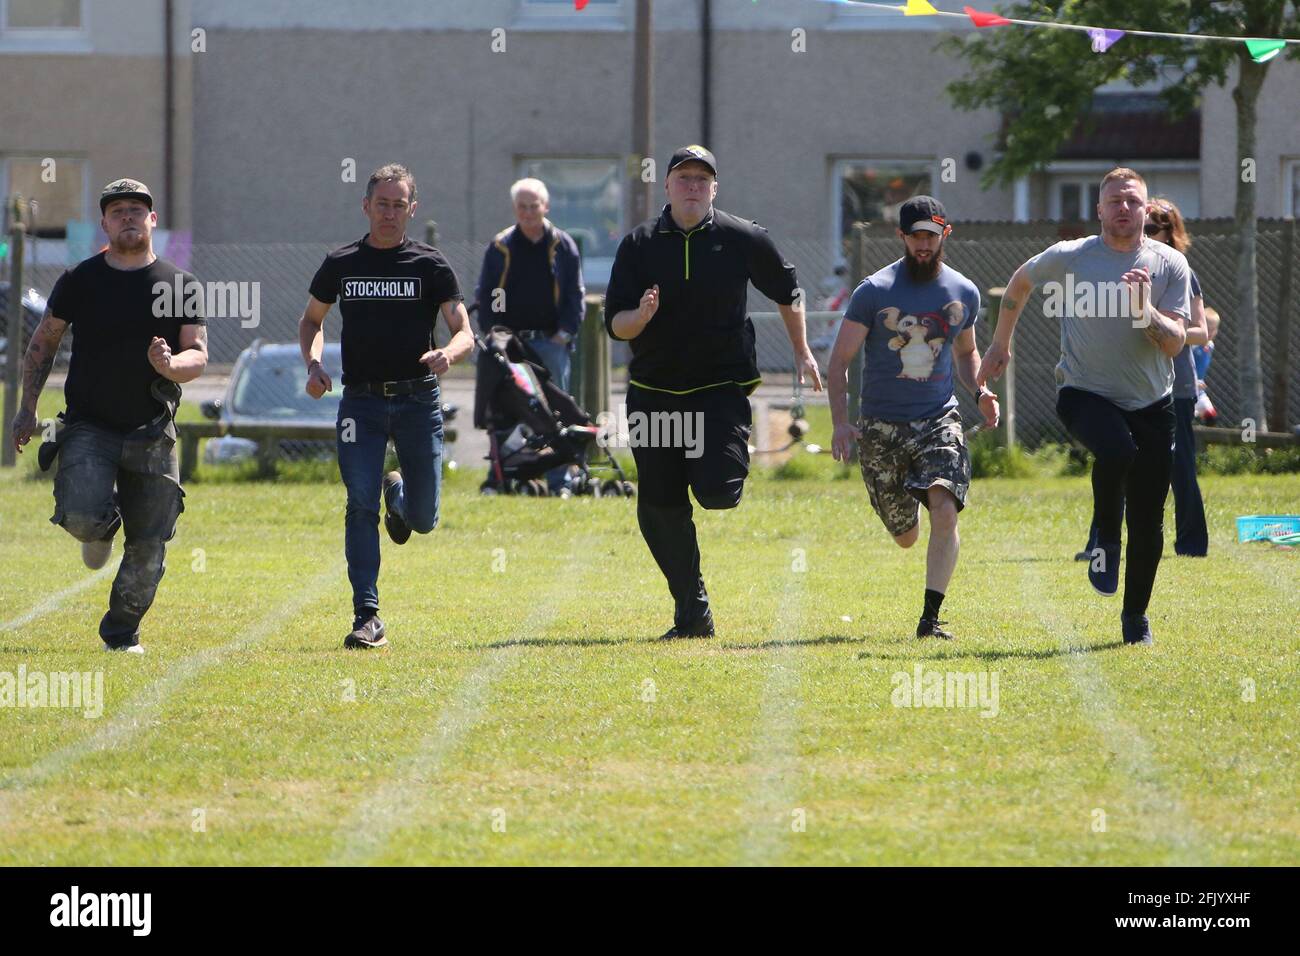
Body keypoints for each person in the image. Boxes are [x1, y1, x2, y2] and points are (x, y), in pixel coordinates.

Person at [604, 145, 822, 639]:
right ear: (667, 186)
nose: (693, 187)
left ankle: (724, 457)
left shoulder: (741, 237)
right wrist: (638, 318)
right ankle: (691, 609)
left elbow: (789, 291)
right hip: (654, 390)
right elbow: (614, 323)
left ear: (715, 188)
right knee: (659, 504)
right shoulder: (638, 244)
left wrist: (803, 350)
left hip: (719, 388)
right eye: (684, 178)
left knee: (718, 493)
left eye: (703, 179)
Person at [981, 168, 1190, 646]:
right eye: (1114, 200)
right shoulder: (1072, 256)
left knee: (1148, 517)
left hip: (1152, 402)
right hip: (1082, 392)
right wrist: (999, 344)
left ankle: (1135, 618)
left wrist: (1145, 308)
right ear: (1099, 209)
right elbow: (1018, 285)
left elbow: (1175, 344)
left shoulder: (1168, 265)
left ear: (1146, 209)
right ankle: (1103, 537)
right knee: (1116, 452)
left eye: (1132, 201)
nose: (1123, 208)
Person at [9, 178, 208, 653]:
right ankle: (101, 525)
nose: (128, 217)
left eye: (137, 210)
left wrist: (169, 366)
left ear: (152, 220)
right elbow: (43, 343)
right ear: (104, 223)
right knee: (80, 516)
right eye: (118, 211)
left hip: (153, 430)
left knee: (150, 544)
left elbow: (197, 354)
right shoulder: (81, 279)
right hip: (89, 425)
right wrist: (26, 409)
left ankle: (121, 634)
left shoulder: (179, 284)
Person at [299, 164, 474, 649]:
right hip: (361, 403)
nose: (390, 213)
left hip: (419, 399)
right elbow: (311, 320)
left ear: (412, 210)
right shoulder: (341, 263)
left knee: (423, 518)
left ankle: (398, 495)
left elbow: (464, 330)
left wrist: (449, 354)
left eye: (400, 205)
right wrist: (313, 366)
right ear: (366, 207)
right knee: (358, 503)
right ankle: (367, 615)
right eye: (382, 204)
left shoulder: (430, 264)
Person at [828, 196, 998, 641]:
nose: (924, 244)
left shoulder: (964, 292)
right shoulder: (874, 291)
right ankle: (909, 508)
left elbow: (966, 353)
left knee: (945, 510)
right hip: (881, 426)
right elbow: (839, 362)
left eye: (932, 235)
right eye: (916, 235)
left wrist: (979, 390)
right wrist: (842, 422)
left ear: (946, 234)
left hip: (938, 419)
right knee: (905, 536)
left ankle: (930, 619)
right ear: (901, 237)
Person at [1072, 196, 1211, 560]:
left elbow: (1200, 331)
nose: (1142, 234)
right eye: (1140, 226)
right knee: (1115, 459)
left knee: (1178, 467)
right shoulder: (1118, 268)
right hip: (1121, 382)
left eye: (1151, 229)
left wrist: (1162, 326)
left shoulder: (1179, 271)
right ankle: (1100, 543)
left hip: (1171, 384)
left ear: (1171, 233)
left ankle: (1192, 545)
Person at [475, 177, 585, 490]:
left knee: (555, 412)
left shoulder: (563, 245)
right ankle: (509, 475)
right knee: (510, 409)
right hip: (510, 344)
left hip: (551, 342)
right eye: (522, 207)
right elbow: (487, 292)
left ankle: (559, 480)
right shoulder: (500, 247)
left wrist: (564, 334)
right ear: (514, 209)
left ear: (545, 207)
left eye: (534, 206)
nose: (528, 212)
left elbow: (575, 295)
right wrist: (494, 333)